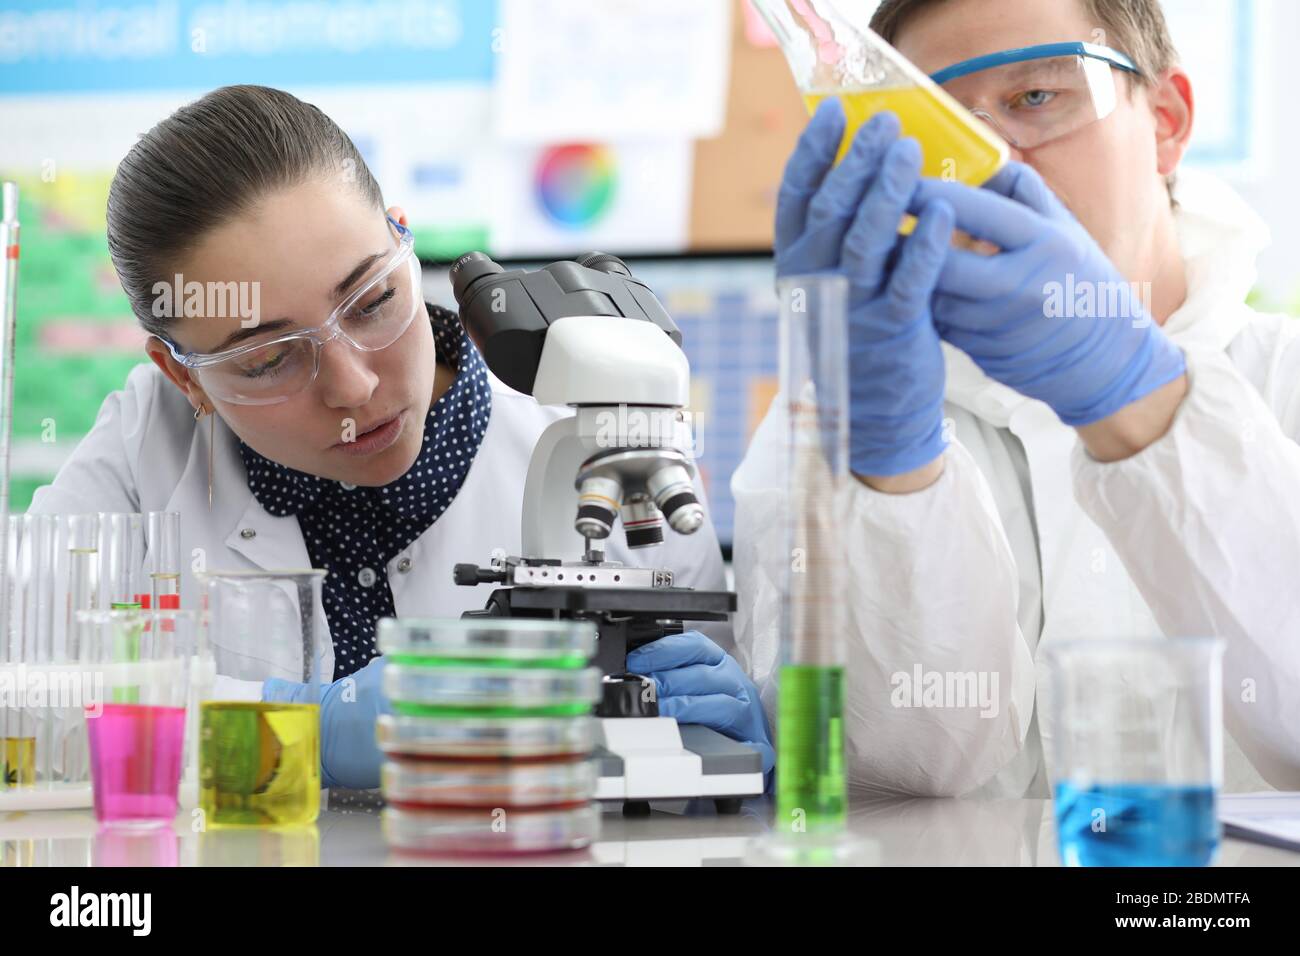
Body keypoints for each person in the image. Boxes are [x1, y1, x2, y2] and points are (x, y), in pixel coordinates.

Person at [31, 85, 772, 789]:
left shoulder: (596, 429)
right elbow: (34, 701)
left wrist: (717, 733)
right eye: (266, 358)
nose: (351, 386)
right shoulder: (143, 454)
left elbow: (703, 740)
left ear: (405, 238)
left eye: (373, 299)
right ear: (182, 376)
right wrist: (303, 731)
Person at [733, 0, 1300, 796]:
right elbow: (887, 777)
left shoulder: (1287, 382)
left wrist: (1133, 395)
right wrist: (890, 465)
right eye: (933, 127)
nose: (984, 161)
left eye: (1038, 98)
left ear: (1167, 121)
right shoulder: (843, 416)